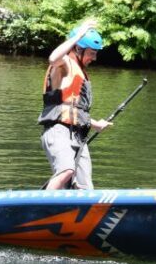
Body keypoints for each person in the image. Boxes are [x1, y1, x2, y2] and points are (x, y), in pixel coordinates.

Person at [38, 19, 112, 190]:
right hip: (58, 131)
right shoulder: (63, 65)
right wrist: (79, 34)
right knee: (66, 171)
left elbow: (73, 111)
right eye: (92, 53)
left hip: (78, 136)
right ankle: (42, 208)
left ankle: (79, 214)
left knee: (85, 187)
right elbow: (52, 58)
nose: (94, 58)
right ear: (78, 48)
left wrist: (95, 124)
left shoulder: (82, 74)